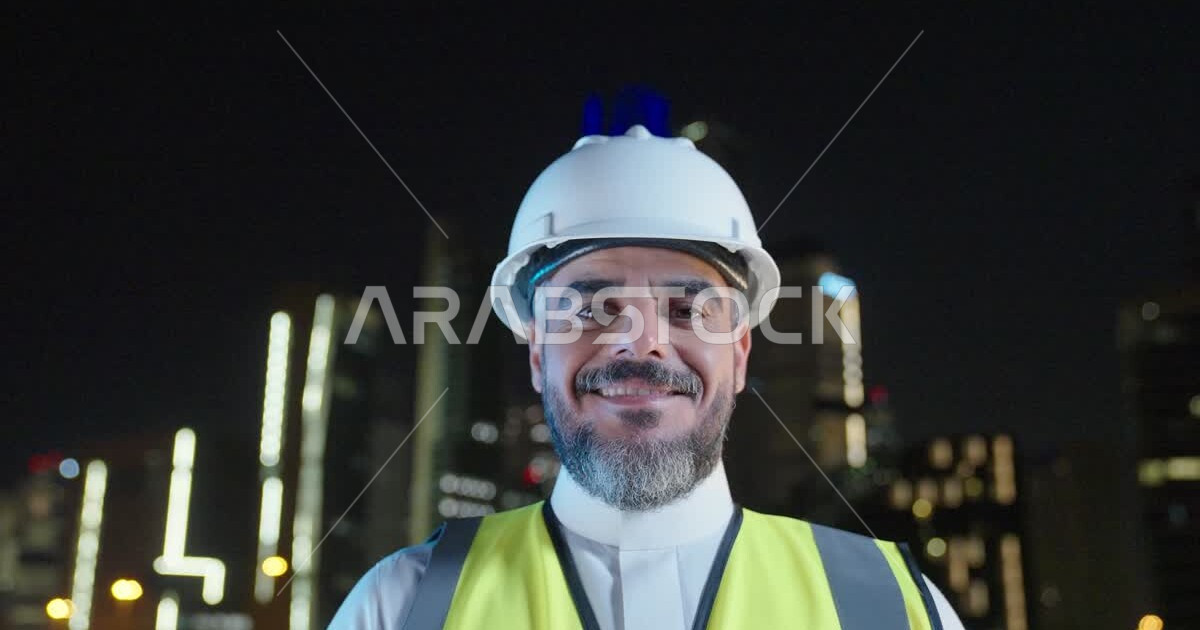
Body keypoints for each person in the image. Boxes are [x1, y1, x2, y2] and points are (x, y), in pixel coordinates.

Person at [329, 123, 966, 629]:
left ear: (740, 355)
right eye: (588, 309)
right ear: (537, 355)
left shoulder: (892, 609)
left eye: (688, 309)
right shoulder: (400, 608)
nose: (640, 341)